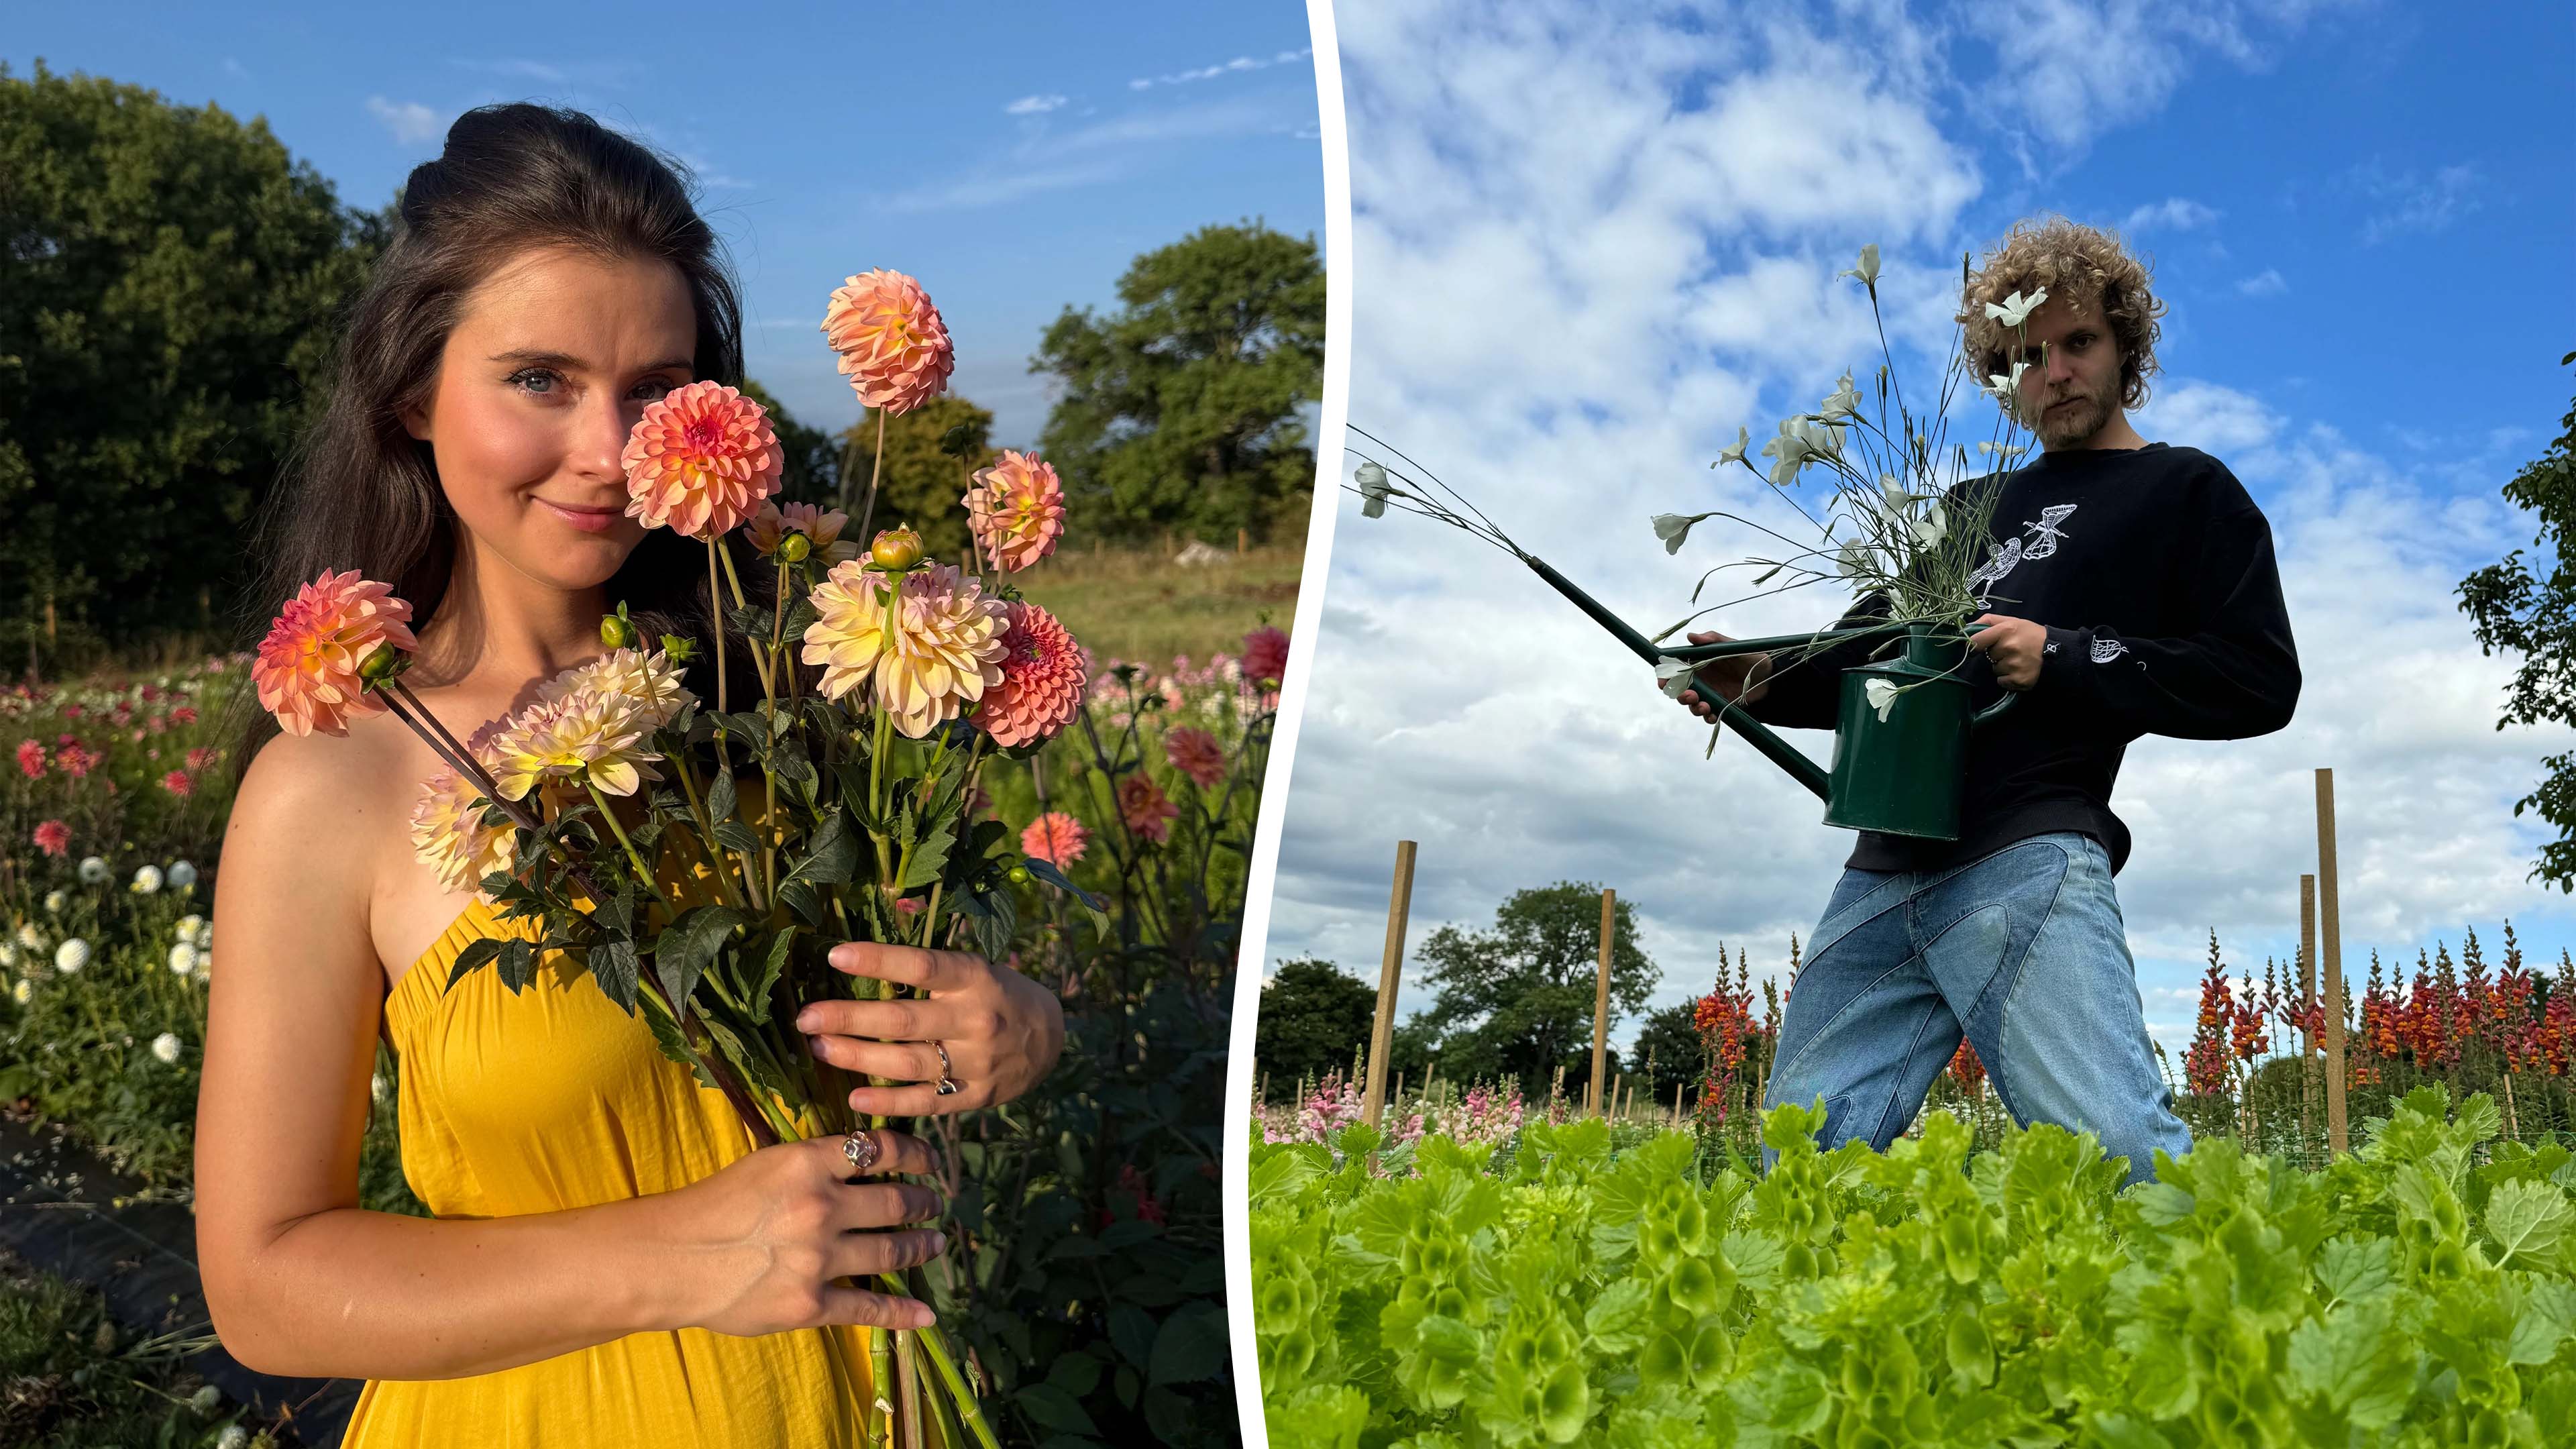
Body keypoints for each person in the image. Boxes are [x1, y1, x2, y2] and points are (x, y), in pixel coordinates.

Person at [195, 104, 1065, 1445]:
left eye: (655, 390)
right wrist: (689, 1258)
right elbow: (263, 1287)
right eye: (539, 379)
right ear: (414, 393)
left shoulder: (792, 695)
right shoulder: (335, 784)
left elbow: (908, 1066)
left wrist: (1013, 1031)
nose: (611, 451)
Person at [1676, 215, 2300, 1187]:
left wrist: (2061, 654)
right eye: (2023, 357)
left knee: (2125, 1168)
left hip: (2027, 860)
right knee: (1795, 1170)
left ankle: (2215, 1326)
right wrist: (1749, 677)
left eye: (2078, 343)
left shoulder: (2185, 492)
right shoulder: (1963, 509)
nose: (2052, 372)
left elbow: (2257, 678)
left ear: (2126, 345)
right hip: (1882, 873)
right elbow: (1868, 658)